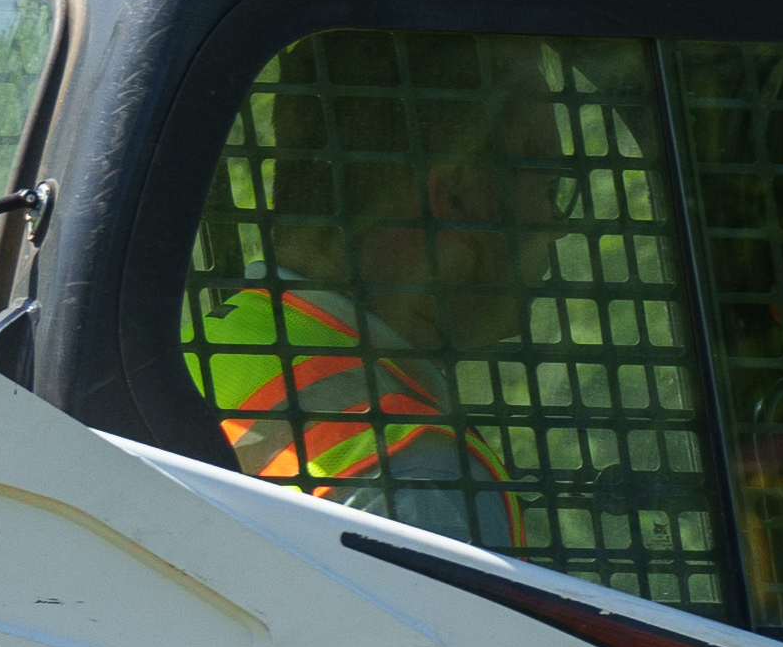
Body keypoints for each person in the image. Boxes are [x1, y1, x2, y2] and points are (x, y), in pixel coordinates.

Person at [189, 58, 581, 552]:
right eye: (548, 187)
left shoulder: (205, 348)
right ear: (457, 199)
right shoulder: (420, 478)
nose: (557, 223)